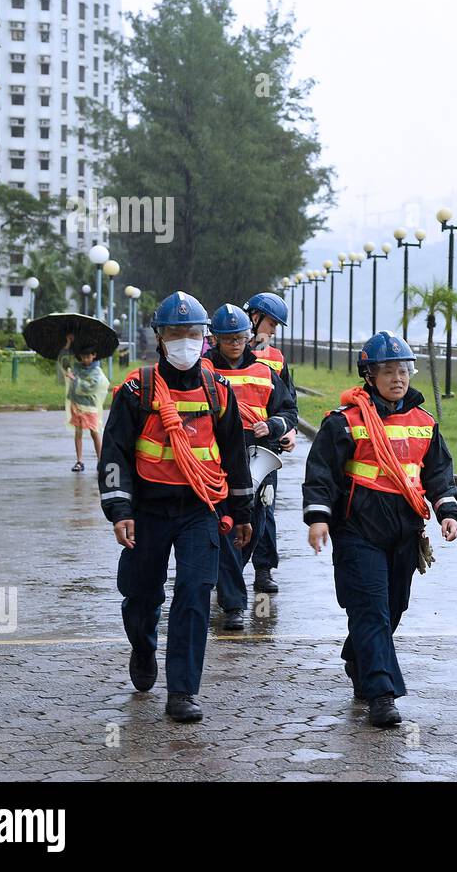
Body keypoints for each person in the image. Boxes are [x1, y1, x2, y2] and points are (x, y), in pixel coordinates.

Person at [98, 291, 254, 723]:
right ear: (160, 338)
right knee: (140, 594)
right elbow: (114, 454)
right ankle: (143, 645)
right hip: (147, 509)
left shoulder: (217, 389)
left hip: (200, 509)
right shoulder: (136, 388)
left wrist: (241, 513)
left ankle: (182, 691)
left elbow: (234, 455)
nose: (184, 341)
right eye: (174, 333)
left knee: (194, 594)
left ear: (205, 338)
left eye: (192, 334)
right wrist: (120, 510)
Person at [302, 331, 457, 727]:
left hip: (405, 530)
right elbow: (320, 473)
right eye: (388, 370)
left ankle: (358, 656)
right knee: (371, 609)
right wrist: (319, 517)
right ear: (369, 375)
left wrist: (447, 511)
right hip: (358, 531)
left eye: (403, 370)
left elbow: (439, 472)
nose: (398, 378)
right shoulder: (343, 422)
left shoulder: (425, 423)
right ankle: (382, 695)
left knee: (393, 608)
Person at [204, 303, 298, 631]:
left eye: (240, 337)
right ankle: (233, 603)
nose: (234, 343)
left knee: (257, 523)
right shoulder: (201, 371)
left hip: (260, 455)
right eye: (227, 338)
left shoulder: (264, 371)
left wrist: (272, 426)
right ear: (215, 339)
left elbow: (288, 411)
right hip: (216, 459)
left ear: (247, 337)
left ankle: (232, 575)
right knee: (225, 527)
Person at [242, 292, 298, 595]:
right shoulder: (216, 351)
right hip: (230, 449)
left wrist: (288, 431)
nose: (273, 330)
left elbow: (289, 403)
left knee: (265, 508)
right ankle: (227, 569)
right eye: (272, 323)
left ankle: (263, 571)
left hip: (266, 447)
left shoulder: (276, 358)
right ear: (254, 318)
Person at [58, 334, 109, 472]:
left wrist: (75, 380)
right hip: (76, 405)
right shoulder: (77, 368)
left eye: (88, 356)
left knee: (94, 432)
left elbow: (91, 387)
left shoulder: (96, 372)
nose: (86, 359)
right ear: (80, 356)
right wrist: (68, 343)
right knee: (78, 432)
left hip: (90, 406)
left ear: (94, 356)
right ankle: (79, 461)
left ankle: (100, 460)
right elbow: (64, 362)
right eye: (83, 356)